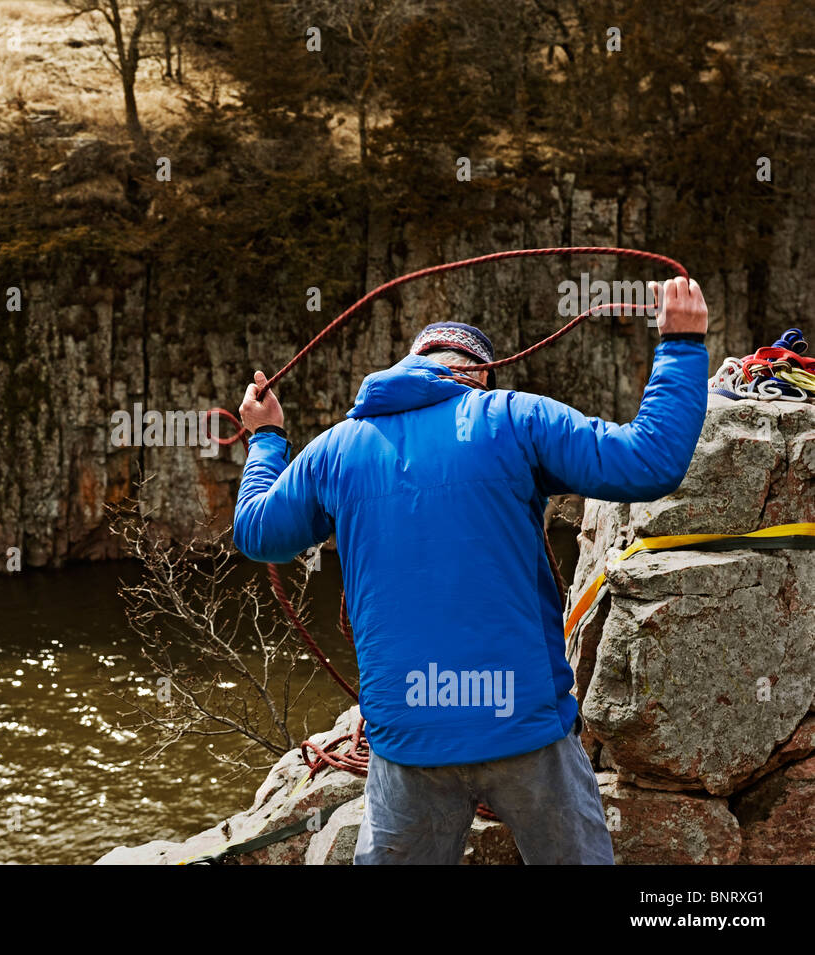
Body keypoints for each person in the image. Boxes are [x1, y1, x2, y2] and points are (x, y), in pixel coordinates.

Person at [232, 276, 709, 864]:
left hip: (410, 738)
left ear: (413, 364)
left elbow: (257, 532)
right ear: (480, 373)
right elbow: (648, 462)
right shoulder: (513, 417)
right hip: (524, 727)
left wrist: (267, 438)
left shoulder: (337, 448)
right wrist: (681, 347)